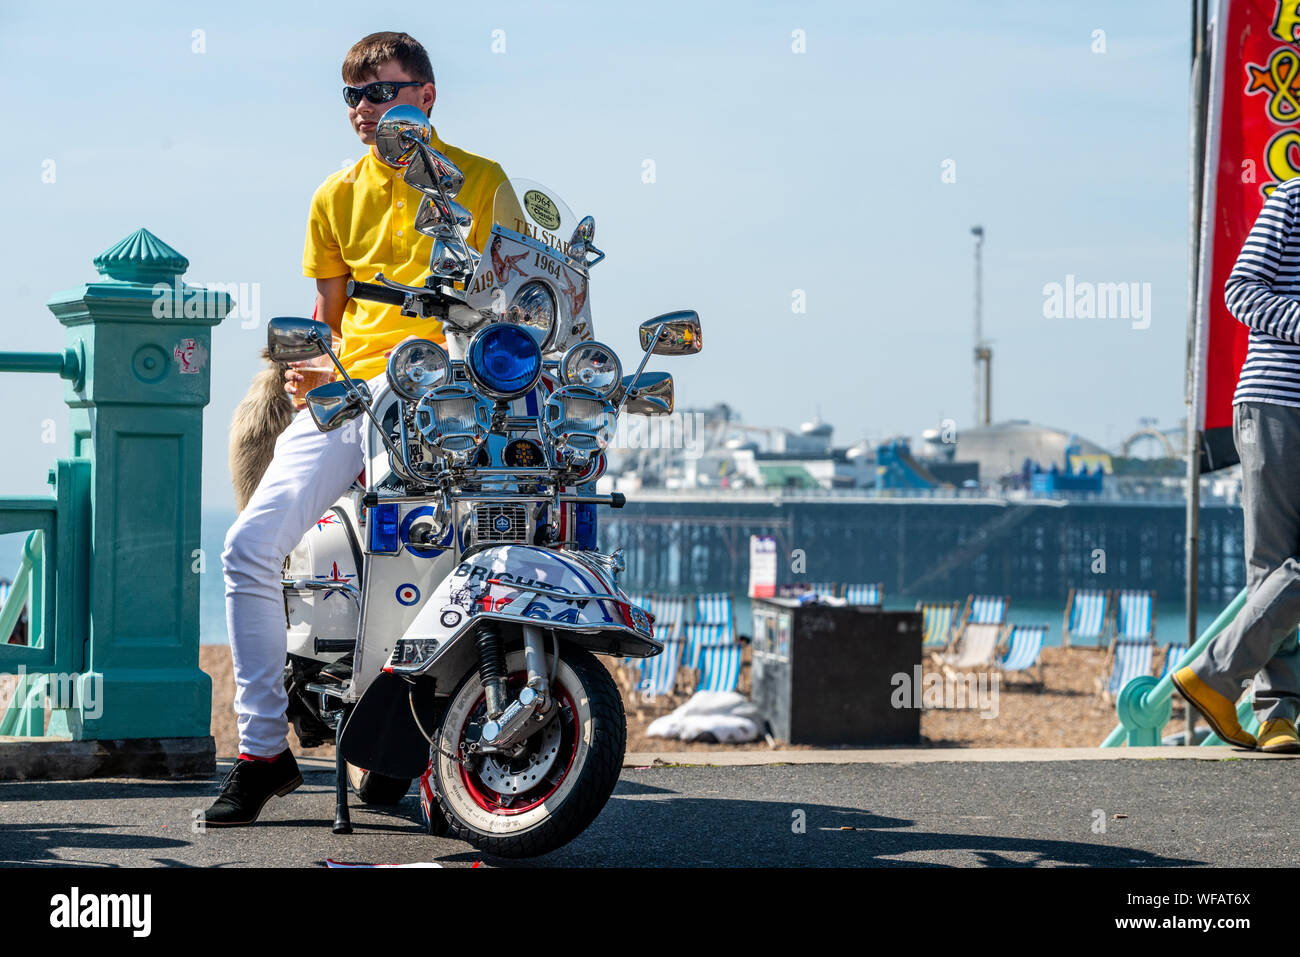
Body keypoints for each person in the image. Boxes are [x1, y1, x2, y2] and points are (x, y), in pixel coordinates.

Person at [206, 31, 509, 825]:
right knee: (247, 545)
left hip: (444, 390)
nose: (365, 110)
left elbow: (518, 300)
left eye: (381, 92)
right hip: (350, 388)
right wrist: (310, 364)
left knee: (420, 549)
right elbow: (330, 318)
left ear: (427, 96)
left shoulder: (482, 182)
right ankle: (264, 750)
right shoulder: (334, 194)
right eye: (353, 96)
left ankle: (417, 744)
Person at [1173, 175, 1300, 753]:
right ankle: (1276, 714)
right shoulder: (1293, 197)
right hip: (1277, 398)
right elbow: (1240, 289)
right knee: (1272, 565)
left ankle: (1220, 678)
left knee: (1280, 573)